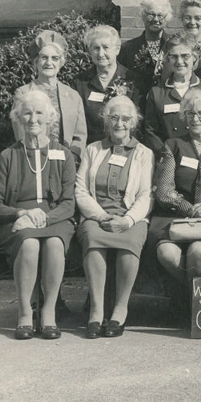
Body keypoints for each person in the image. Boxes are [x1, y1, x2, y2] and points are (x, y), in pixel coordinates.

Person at [0, 90, 77, 340]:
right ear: (18, 118)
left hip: (55, 218)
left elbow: (69, 204)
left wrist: (45, 218)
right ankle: (25, 313)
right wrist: (22, 212)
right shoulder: (8, 156)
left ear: (50, 118)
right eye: (27, 113)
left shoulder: (64, 154)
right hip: (19, 221)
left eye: (39, 113)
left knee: (55, 245)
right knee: (29, 245)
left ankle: (49, 313)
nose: (33, 119)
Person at [74, 96, 154, 338]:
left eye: (125, 118)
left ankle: (120, 308)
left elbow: (146, 195)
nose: (120, 123)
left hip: (129, 217)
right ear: (106, 121)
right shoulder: (92, 149)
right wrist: (99, 216)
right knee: (92, 238)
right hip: (96, 216)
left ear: (134, 122)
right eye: (114, 117)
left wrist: (127, 220)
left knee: (130, 241)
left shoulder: (143, 153)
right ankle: (97, 311)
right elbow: (80, 189)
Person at [151, 90, 201, 312]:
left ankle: (188, 307)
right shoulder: (173, 145)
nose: (196, 119)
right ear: (184, 117)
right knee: (167, 254)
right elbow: (165, 191)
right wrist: (190, 208)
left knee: (200, 253)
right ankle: (198, 303)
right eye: (191, 114)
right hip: (174, 217)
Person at [13, 30, 87, 161]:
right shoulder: (23, 93)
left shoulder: (73, 96)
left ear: (61, 62)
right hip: (33, 160)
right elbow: (21, 134)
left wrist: (71, 159)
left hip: (65, 162)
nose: (49, 63)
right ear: (36, 62)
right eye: (44, 57)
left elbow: (79, 136)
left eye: (54, 58)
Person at [143, 31, 201, 153]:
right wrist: (167, 153)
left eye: (185, 56)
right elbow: (151, 131)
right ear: (167, 58)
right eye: (174, 56)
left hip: (200, 155)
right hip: (168, 157)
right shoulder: (157, 93)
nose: (179, 62)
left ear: (194, 57)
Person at [74, 25, 142, 145]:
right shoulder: (79, 82)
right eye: (96, 48)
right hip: (91, 150)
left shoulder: (134, 81)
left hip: (125, 149)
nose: (101, 53)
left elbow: (139, 123)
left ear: (117, 49)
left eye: (106, 47)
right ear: (90, 51)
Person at [119, 0, 172, 91]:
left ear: (166, 18)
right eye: (151, 14)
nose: (156, 19)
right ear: (143, 16)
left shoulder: (173, 45)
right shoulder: (127, 48)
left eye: (160, 15)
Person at [179, 0, 201, 65]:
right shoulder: (173, 45)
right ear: (182, 19)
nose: (192, 22)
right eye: (187, 18)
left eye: (197, 18)